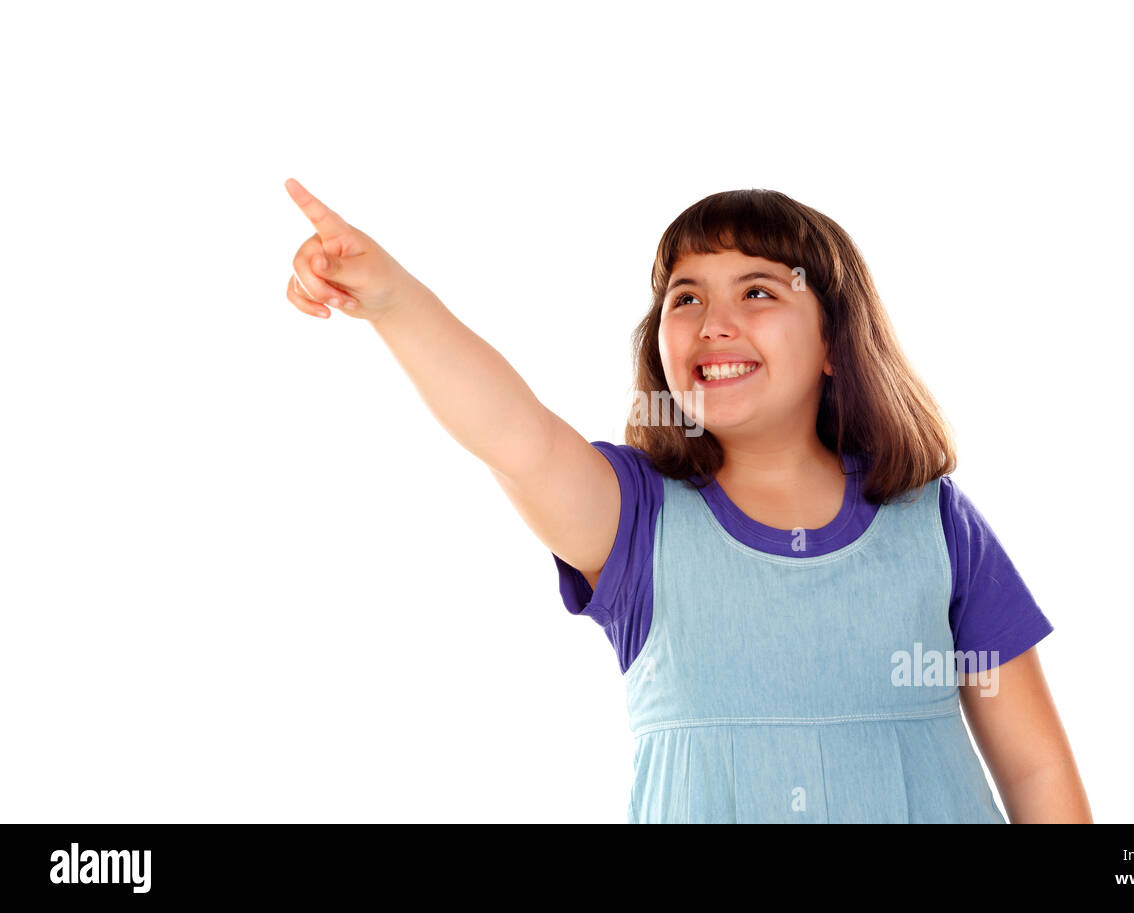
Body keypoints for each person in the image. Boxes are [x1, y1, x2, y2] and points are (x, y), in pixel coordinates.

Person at [282, 179, 1092, 823]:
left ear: (836, 345)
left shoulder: (935, 522)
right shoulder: (635, 522)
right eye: (686, 297)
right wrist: (392, 300)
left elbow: (1035, 766)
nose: (715, 322)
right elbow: (513, 434)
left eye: (760, 293)